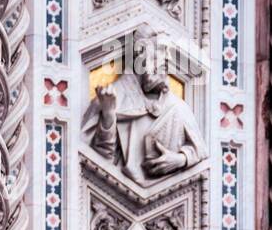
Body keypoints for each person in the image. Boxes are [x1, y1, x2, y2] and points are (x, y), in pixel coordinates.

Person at [82, 30, 207, 186]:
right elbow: (97, 163)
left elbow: (201, 150)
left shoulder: (178, 107)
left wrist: (181, 159)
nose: (168, 58)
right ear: (141, 51)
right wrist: (108, 115)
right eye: (162, 50)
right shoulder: (112, 97)